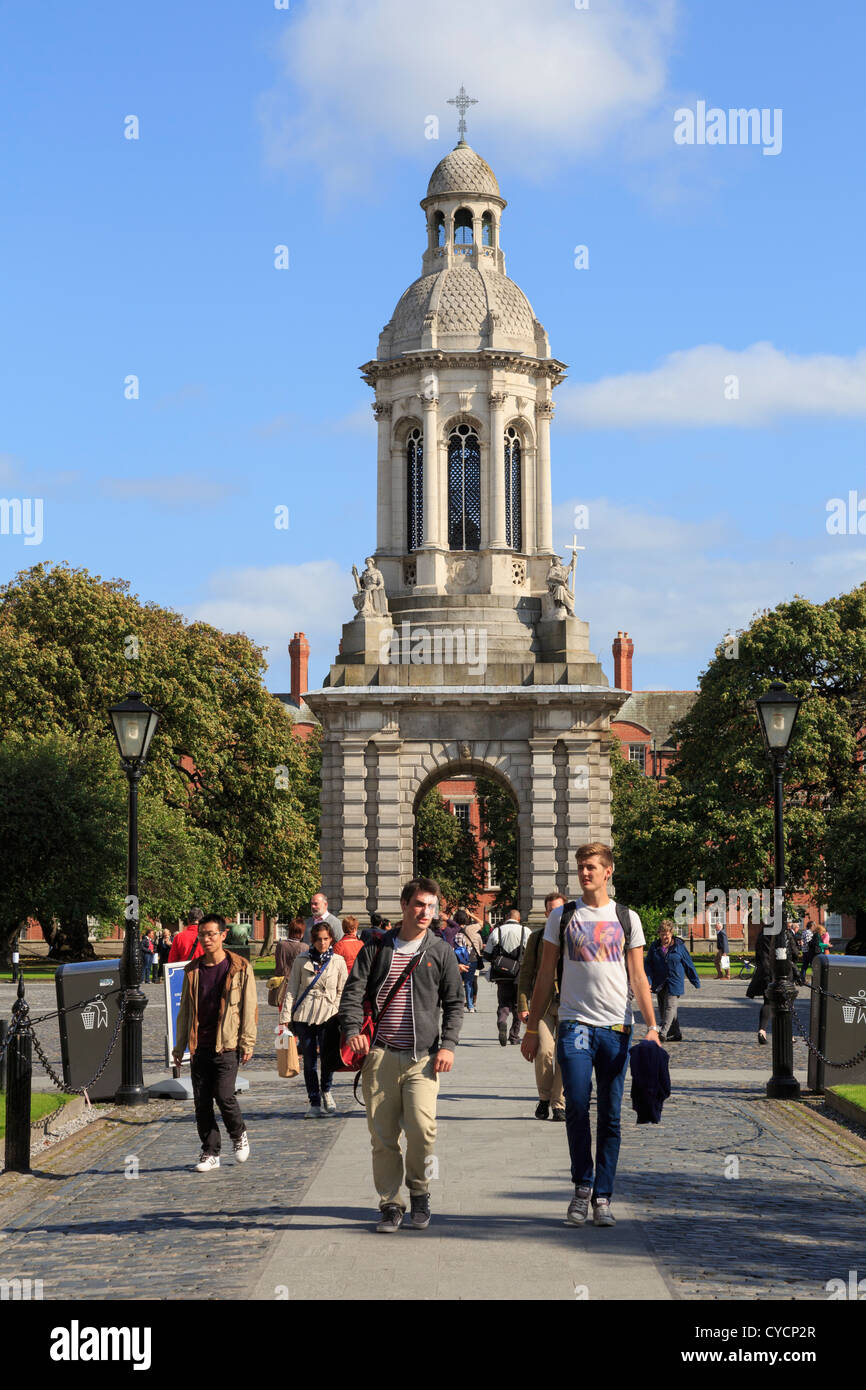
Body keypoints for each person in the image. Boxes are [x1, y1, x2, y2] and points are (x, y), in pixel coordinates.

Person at [521, 843, 660, 1228]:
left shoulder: (626, 918)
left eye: (592, 867)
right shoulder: (562, 917)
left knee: (611, 1116)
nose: (585, 873)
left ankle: (603, 1196)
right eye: (582, 867)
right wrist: (532, 1028)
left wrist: (653, 1027)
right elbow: (544, 977)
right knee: (577, 1107)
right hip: (575, 1026)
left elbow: (638, 977)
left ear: (608, 872)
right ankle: (583, 1187)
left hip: (616, 1028)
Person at [339, 877, 464, 1233]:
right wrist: (352, 1032)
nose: (426, 912)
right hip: (379, 1055)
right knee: (383, 1138)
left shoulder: (440, 951)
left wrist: (448, 1045)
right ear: (405, 905)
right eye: (420, 905)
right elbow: (352, 994)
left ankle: (420, 1192)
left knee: (424, 1130)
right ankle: (391, 1203)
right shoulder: (376, 948)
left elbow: (454, 1003)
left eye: (432, 906)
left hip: (422, 1058)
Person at [173, 914, 257, 1172]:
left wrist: (248, 1042)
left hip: (227, 1043)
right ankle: (210, 1152)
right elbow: (185, 1012)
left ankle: (238, 1132)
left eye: (211, 934)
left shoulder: (240, 967)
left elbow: (249, 1007)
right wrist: (179, 1047)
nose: (206, 939)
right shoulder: (192, 970)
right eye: (202, 934)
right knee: (201, 1102)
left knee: (224, 1094)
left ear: (223, 935)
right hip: (201, 1045)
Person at [280, 922, 348, 1116]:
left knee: (327, 1058)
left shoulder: (338, 961)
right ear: (312, 940)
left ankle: (326, 1090)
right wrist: (285, 1016)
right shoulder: (302, 960)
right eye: (318, 939)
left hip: (329, 1015)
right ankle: (314, 1101)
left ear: (331, 939)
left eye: (326, 939)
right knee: (309, 1060)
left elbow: (343, 989)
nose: (322, 943)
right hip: (305, 1014)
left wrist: (337, 1009)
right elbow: (292, 988)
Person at [518, 893, 566, 1120]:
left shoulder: (574, 938)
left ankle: (559, 1104)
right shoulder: (536, 938)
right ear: (546, 913)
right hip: (543, 1004)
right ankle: (544, 1097)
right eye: (551, 910)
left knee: (565, 1056)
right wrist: (522, 1005)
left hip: (569, 1003)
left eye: (559, 909)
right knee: (544, 1051)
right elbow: (526, 973)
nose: (555, 914)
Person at [644, 920, 700, 1041]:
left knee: (670, 1007)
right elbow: (648, 964)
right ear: (659, 934)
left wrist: (695, 980)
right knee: (664, 1009)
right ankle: (676, 1033)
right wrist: (649, 980)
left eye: (667, 934)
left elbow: (688, 963)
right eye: (662, 934)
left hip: (675, 981)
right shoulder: (655, 946)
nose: (665, 937)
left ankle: (663, 1033)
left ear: (671, 933)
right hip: (659, 982)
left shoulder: (679, 946)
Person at [747, 920, 801, 1043]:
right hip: (782, 971)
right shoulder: (784, 933)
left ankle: (762, 1030)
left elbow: (758, 953)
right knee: (786, 1002)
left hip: (766, 971)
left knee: (767, 1002)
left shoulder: (763, 932)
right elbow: (793, 952)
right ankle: (788, 1034)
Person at [483, 912, 532, 1046]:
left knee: (503, 1002)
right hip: (520, 974)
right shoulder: (525, 931)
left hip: (502, 974)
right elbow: (531, 954)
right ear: (519, 918)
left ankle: (502, 1021)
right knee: (518, 1006)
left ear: (506, 918)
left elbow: (487, 954)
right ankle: (514, 1036)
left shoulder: (497, 931)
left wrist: (500, 961)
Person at [453, 909, 484, 1012]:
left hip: (455, 960)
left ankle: (457, 1004)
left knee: (456, 983)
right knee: (469, 982)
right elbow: (481, 922)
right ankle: (470, 1006)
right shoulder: (470, 929)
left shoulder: (450, 929)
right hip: (470, 958)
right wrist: (471, 914)